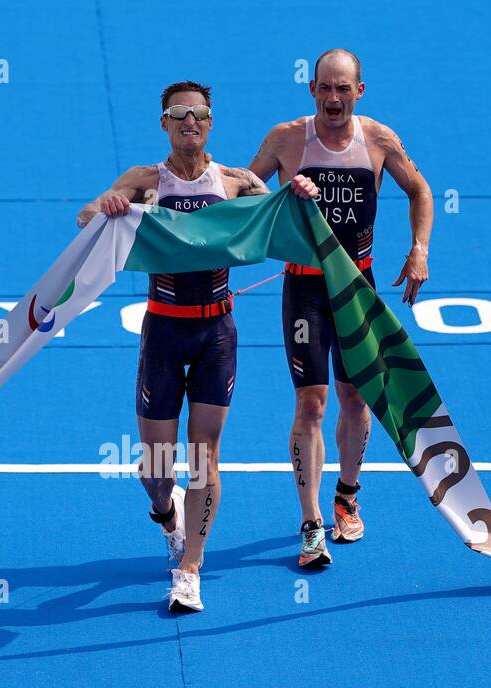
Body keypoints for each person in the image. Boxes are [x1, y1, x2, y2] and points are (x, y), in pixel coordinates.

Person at [79, 80, 316, 611]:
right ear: (164, 123)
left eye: (200, 114)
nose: (191, 121)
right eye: (179, 113)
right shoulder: (145, 181)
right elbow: (86, 218)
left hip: (216, 334)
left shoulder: (234, 182)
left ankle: (191, 568)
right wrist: (107, 206)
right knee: (156, 468)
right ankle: (167, 515)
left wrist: (299, 195)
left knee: (204, 454)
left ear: (211, 123)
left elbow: (288, 217)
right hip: (163, 332)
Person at [249, 48, 434, 567]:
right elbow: (242, 186)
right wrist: (279, 194)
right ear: (312, 90)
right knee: (312, 402)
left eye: (342, 89)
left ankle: (347, 497)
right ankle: (311, 525)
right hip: (305, 289)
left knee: (356, 398)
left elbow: (420, 190)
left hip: (358, 287)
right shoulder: (288, 138)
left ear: (359, 91)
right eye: (324, 88)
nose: (333, 99)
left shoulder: (379, 139)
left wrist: (418, 250)